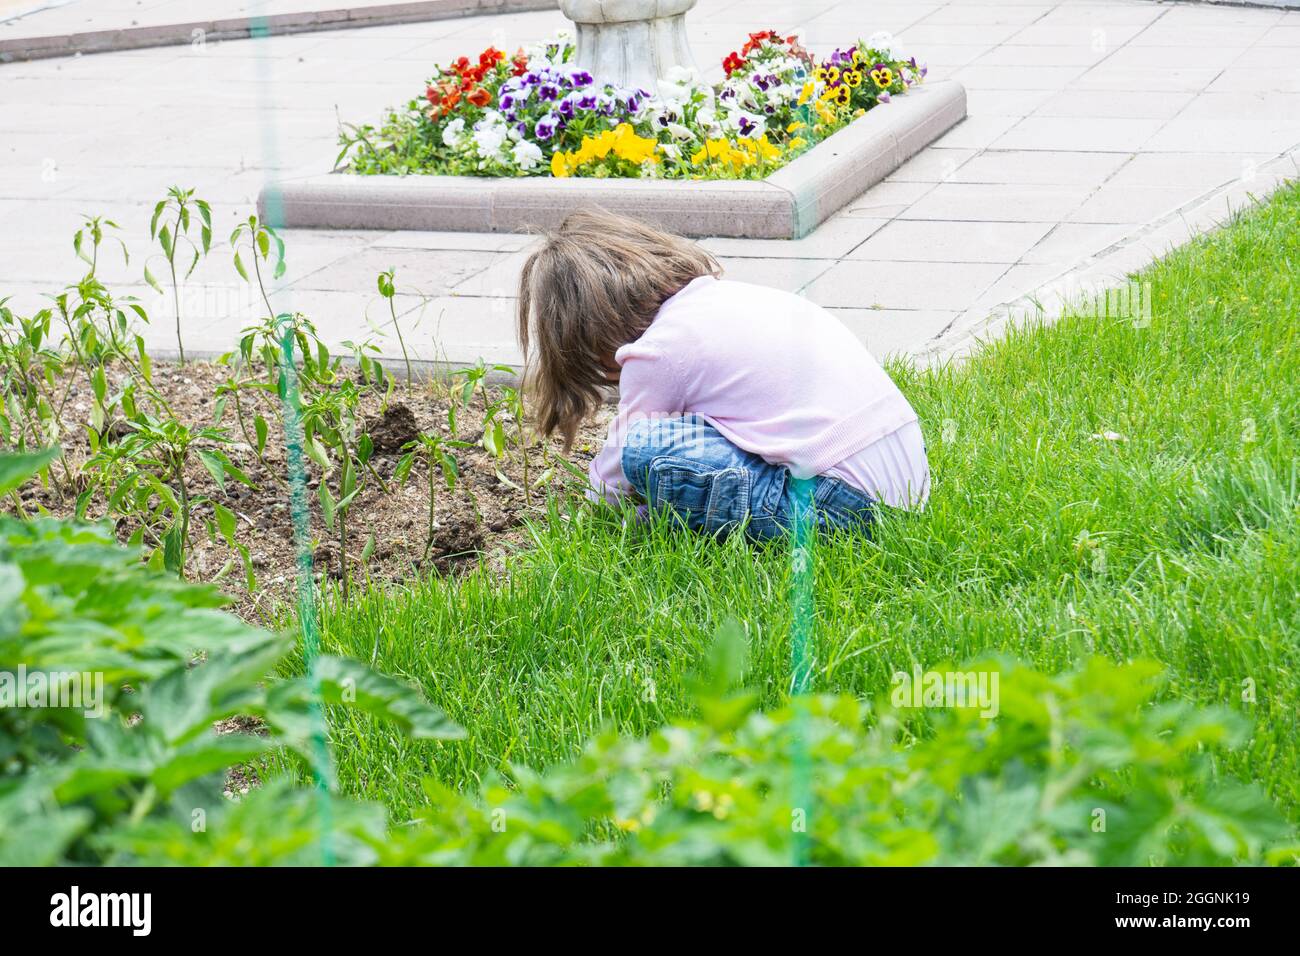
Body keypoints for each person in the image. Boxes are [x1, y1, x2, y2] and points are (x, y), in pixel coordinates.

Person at [516, 207, 929, 540]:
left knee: (646, 446)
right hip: (908, 481)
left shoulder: (659, 351)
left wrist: (593, 520)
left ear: (587, 331)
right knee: (689, 432)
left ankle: (662, 521)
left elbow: (619, 464)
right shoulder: (726, 299)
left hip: (841, 507)